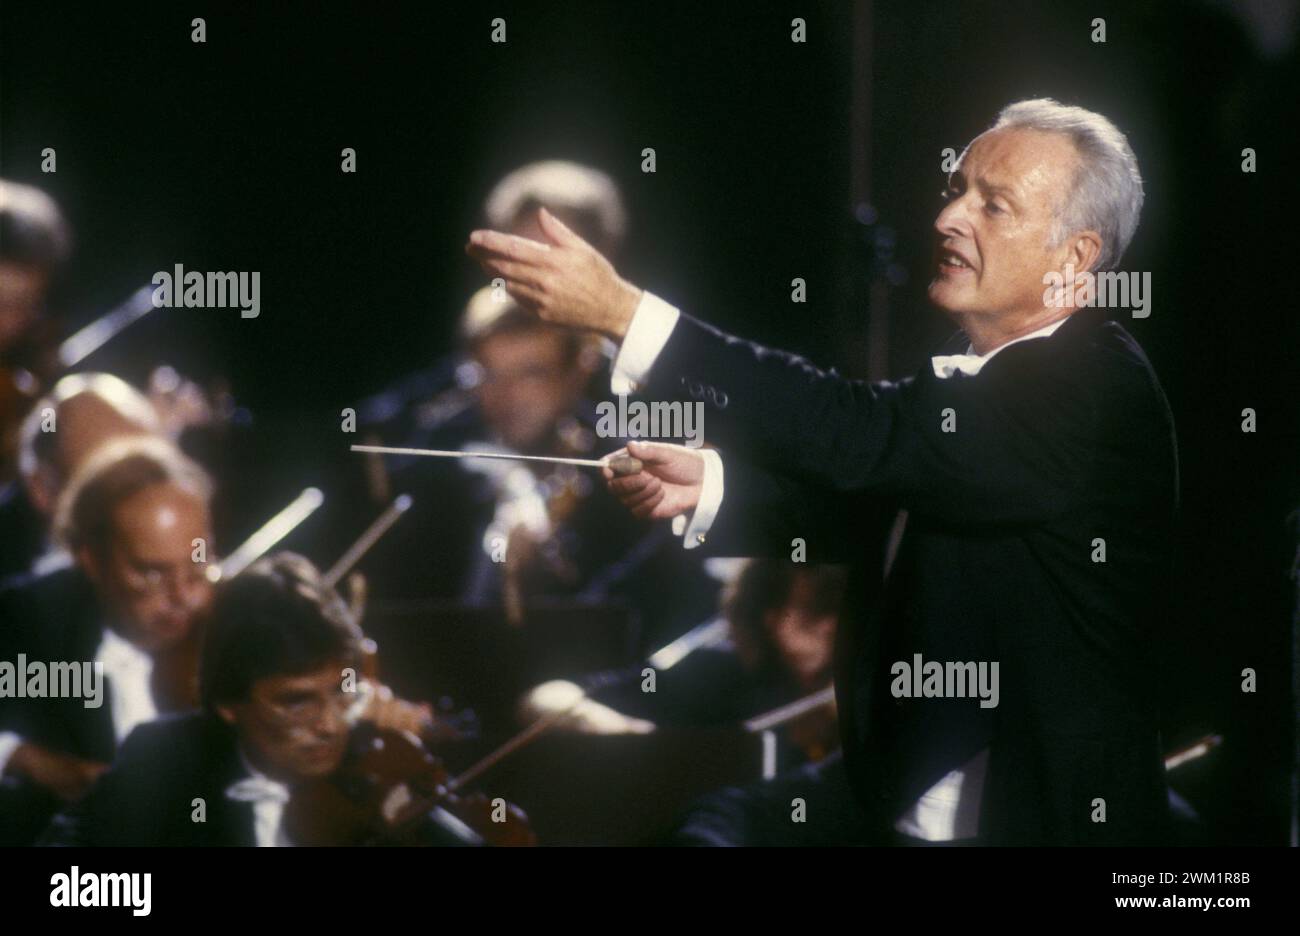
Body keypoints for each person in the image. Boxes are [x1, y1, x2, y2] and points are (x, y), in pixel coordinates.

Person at [468, 99, 1178, 845]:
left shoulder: (1090, 386)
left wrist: (628, 315)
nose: (949, 218)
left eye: (992, 205)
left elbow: (857, 433)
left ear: (1075, 258)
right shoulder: (991, 367)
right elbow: (898, 498)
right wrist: (714, 483)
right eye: (957, 190)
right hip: (912, 791)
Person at [41, 553, 495, 846]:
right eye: (296, 702)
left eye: (341, 690)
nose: (331, 724)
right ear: (229, 704)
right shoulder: (164, 759)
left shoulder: (380, 773)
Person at [0, 436, 215, 843]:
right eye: (151, 572)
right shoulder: (28, 618)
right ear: (91, 558)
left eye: (197, 567)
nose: (183, 596)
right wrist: (22, 758)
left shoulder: (233, 630)